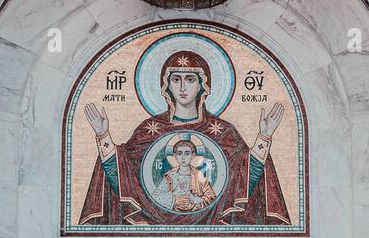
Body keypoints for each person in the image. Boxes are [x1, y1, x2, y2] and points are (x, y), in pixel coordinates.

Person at [79, 49, 290, 227]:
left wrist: (265, 136)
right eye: (176, 79)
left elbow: (243, 185)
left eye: (190, 79)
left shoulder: (224, 132)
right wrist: (102, 134)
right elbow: (125, 183)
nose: (182, 87)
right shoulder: (148, 131)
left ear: (202, 85)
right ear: (166, 85)